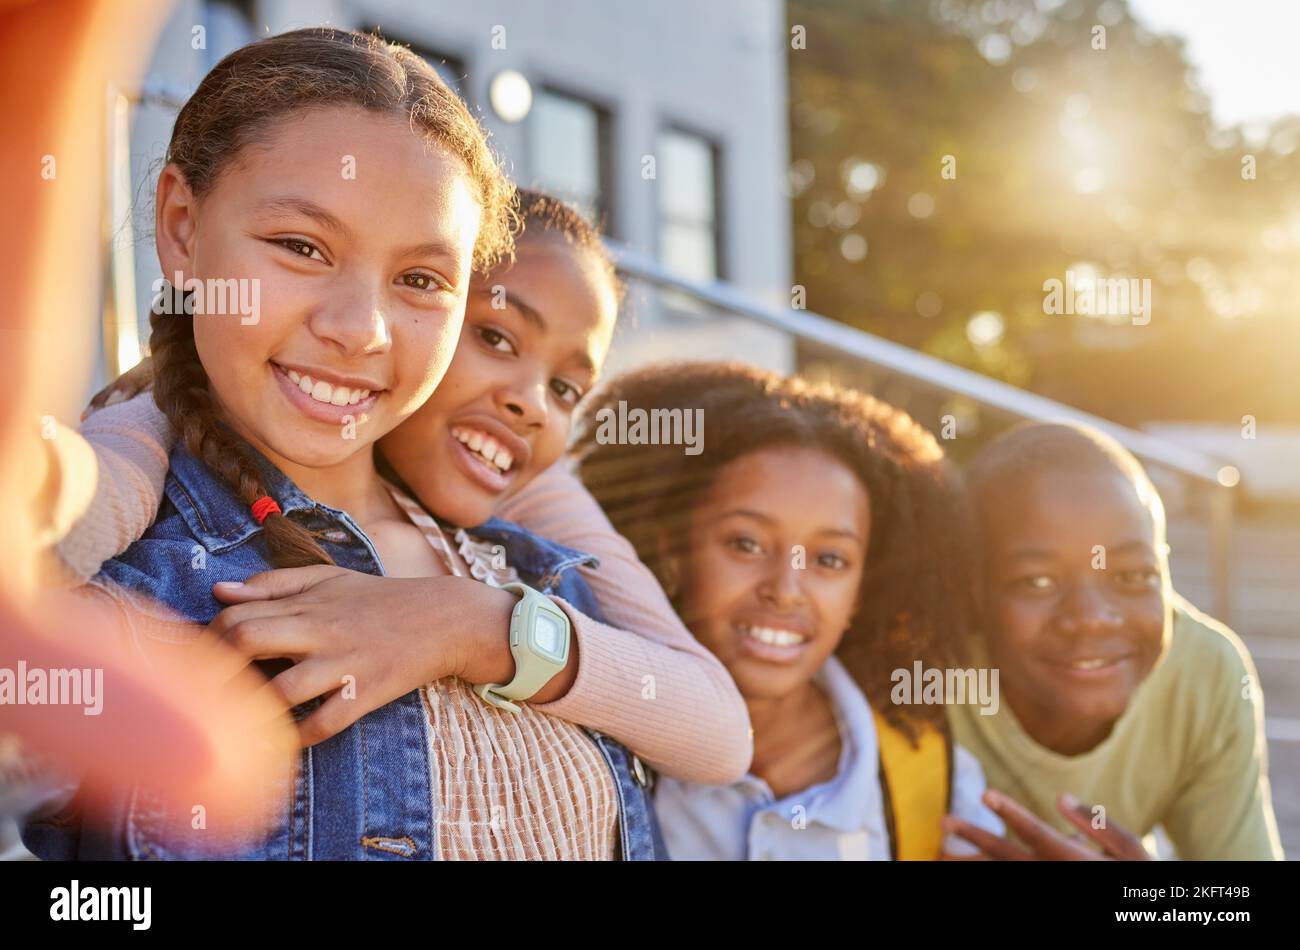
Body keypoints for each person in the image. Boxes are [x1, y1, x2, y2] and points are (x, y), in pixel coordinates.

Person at [20, 27, 697, 862]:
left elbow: (713, 730)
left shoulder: (540, 575)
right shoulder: (128, 582)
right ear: (182, 228)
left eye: (420, 281)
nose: (360, 331)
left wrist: (477, 626)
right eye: (302, 248)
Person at [573, 362, 1004, 860]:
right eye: (747, 544)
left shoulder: (933, 778)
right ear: (674, 553)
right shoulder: (596, 739)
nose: (786, 589)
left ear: (862, 586)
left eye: (829, 559)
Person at [944, 422, 1284, 860]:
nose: (1091, 620)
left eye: (1132, 576)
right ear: (972, 591)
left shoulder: (1207, 673)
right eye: (1038, 581)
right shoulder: (919, 671)